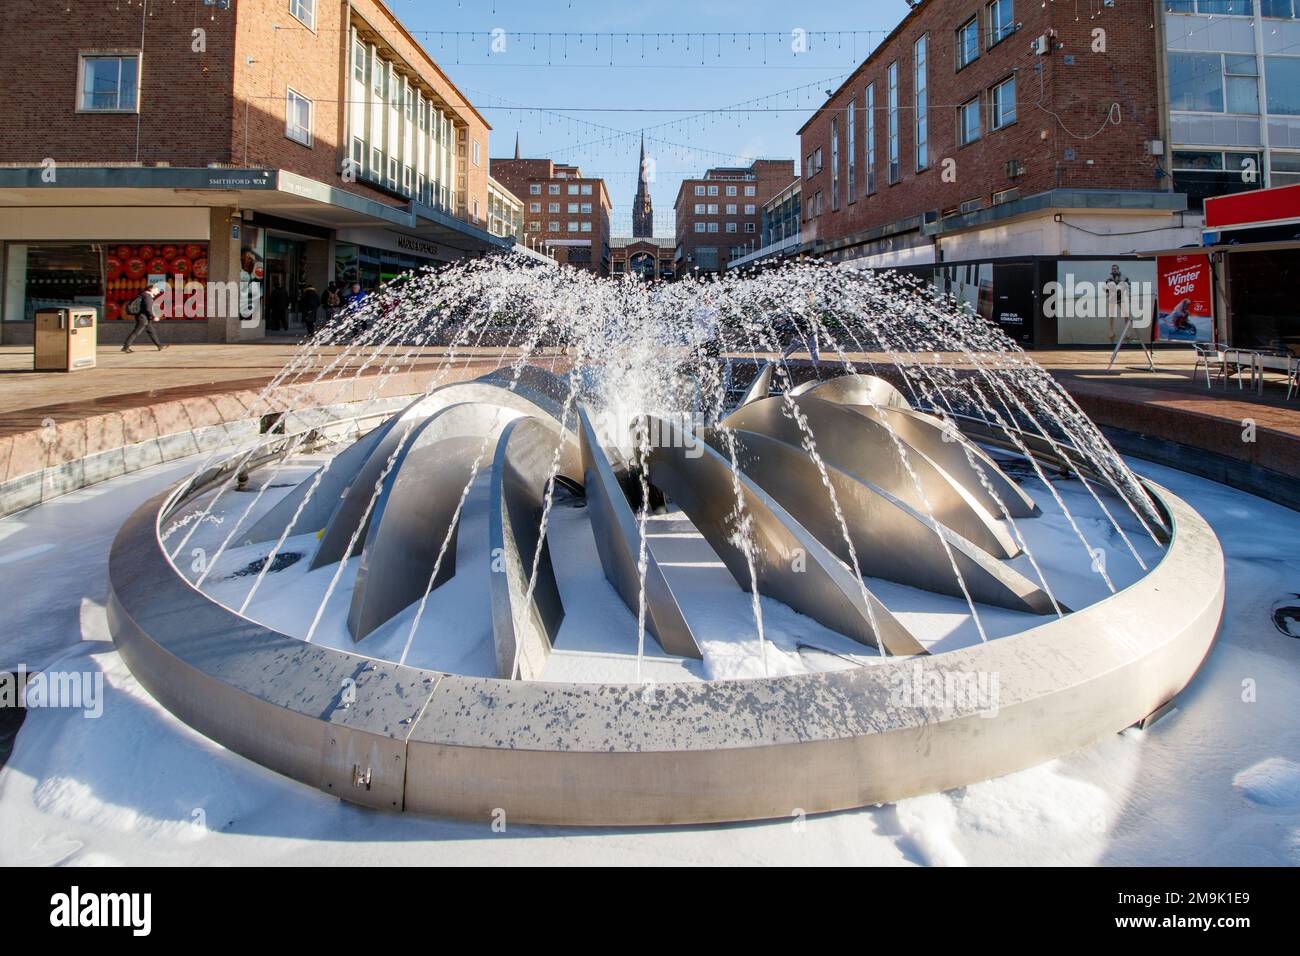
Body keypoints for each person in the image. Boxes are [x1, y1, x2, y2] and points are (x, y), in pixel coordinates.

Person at [121, 283, 168, 353]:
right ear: (151, 289)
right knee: (136, 332)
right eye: (157, 290)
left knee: (151, 331)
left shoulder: (145, 295)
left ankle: (159, 345)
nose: (158, 291)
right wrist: (154, 316)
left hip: (145, 317)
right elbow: (148, 308)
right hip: (142, 317)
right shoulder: (147, 296)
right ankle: (126, 347)